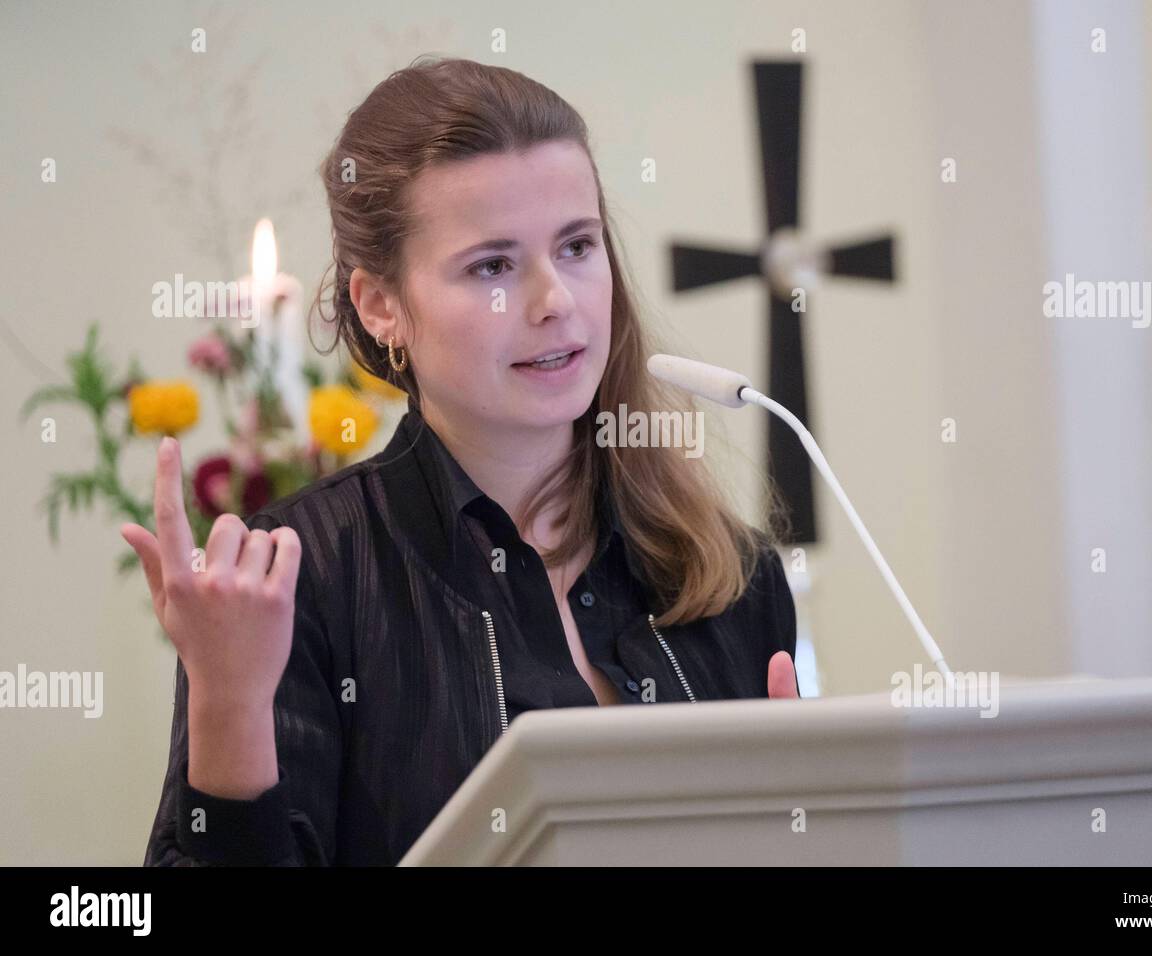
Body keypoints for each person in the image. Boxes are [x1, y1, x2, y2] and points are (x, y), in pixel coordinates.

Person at [124, 56, 800, 867]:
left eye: (578, 246)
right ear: (381, 306)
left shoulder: (736, 575)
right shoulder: (304, 580)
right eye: (493, 266)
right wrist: (230, 709)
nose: (556, 301)